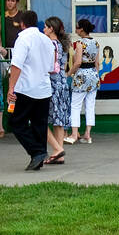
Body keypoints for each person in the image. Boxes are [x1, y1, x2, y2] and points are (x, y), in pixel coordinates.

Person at [6, 9, 53, 170]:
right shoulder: (46, 40)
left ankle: (36, 151)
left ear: (22, 23)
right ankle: (39, 155)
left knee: (16, 122)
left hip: (26, 88)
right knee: (39, 123)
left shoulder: (23, 39)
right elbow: (50, 66)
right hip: (44, 87)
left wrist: (11, 88)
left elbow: (16, 65)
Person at [43, 16, 72, 164]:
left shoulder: (51, 44)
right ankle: (59, 152)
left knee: (43, 118)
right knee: (58, 120)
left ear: (51, 29)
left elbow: (50, 66)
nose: (43, 29)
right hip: (62, 82)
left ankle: (57, 149)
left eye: (45, 27)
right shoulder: (61, 44)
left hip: (52, 84)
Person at [66, 18, 99, 144]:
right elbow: (97, 63)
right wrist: (95, 75)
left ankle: (74, 134)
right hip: (93, 75)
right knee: (90, 105)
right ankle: (88, 134)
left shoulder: (80, 44)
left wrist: (69, 73)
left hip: (81, 76)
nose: (76, 29)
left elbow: (78, 62)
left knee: (75, 105)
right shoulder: (96, 43)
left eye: (77, 27)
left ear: (82, 29)